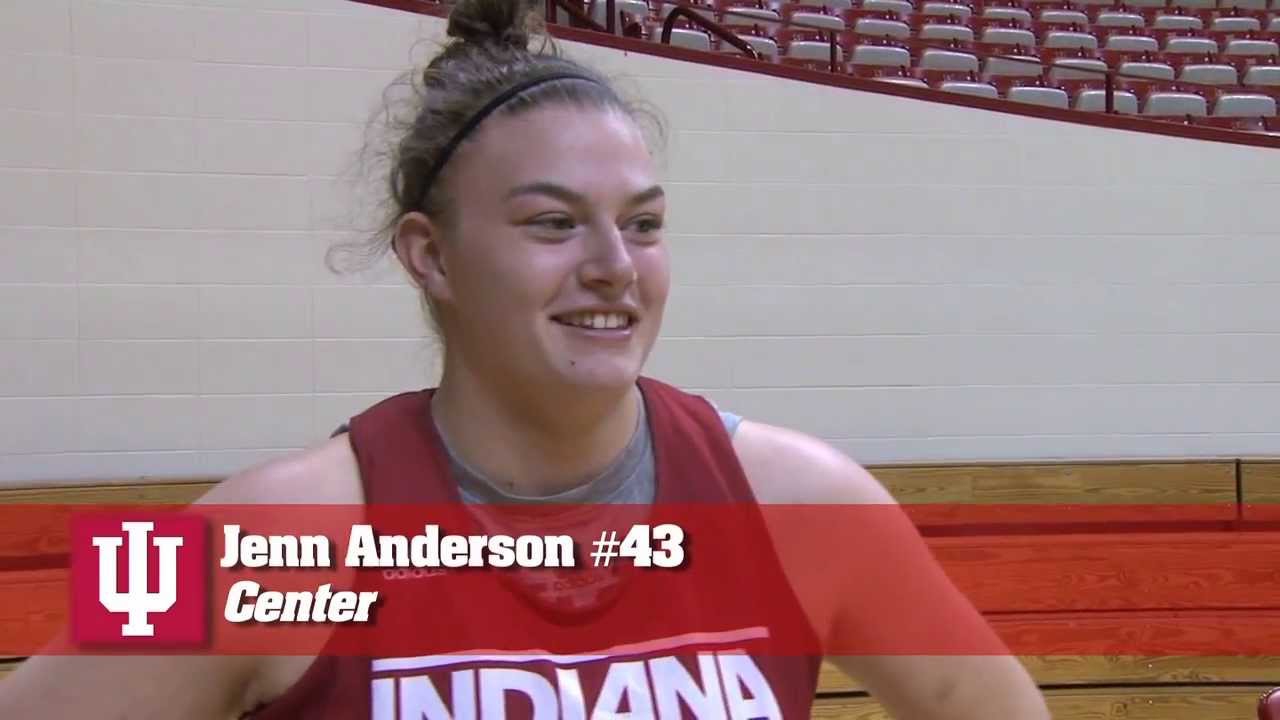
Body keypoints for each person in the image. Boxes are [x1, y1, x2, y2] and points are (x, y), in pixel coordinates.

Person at [0, 0, 1051, 716]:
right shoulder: (268, 534)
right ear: (431, 255)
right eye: (552, 225)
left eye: (640, 225)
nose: (611, 267)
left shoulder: (801, 502)